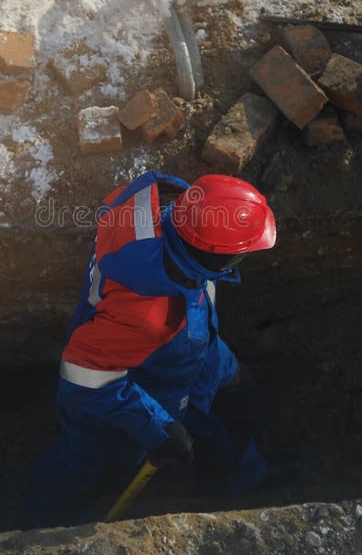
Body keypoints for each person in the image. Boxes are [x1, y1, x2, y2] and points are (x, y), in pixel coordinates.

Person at [25, 170, 279, 527]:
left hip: (178, 364)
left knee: (225, 414)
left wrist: (225, 370)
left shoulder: (168, 232)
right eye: (240, 254)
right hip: (118, 411)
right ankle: (38, 526)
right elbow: (84, 380)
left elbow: (191, 323)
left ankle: (240, 484)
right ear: (215, 258)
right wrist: (157, 427)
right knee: (87, 464)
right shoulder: (147, 310)